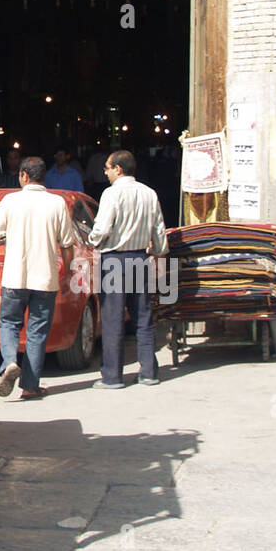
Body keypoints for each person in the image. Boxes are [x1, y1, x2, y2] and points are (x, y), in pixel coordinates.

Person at [0, 156, 76, 401]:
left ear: (23, 175)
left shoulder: (10, 201)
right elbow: (67, 245)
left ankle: (10, 362)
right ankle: (30, 386)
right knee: (37, 332)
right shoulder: (57, 204)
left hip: (14, 277)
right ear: (43, 177)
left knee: (9, 323)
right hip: (45, 280)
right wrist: (70, 272)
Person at [87, 149, 169, 388]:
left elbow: (101, 229)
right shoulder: (149, 193)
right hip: (140, 260)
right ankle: (149, 373)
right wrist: (160, 255)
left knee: (113, 320)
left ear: (118, 169)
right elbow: (159, 231)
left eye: (108, 167)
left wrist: (91, 240)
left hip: (114, 261)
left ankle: (112, 377)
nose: (105, 172)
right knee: (143, 317)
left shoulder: (111, 194)